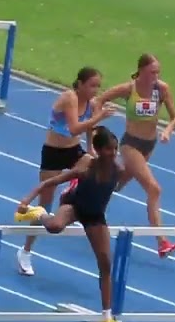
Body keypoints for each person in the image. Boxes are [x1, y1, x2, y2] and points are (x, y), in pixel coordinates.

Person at [15, 126, 128, 322]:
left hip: (95, 215)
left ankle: (107, 317)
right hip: (74, 206)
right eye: (109, 149)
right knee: (55, 227)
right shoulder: (87, 168)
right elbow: (51, 181)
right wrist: (26, 200)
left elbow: (110, 189)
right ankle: (40, 213)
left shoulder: (119, 170)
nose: (113, 153)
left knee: (105, 262)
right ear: (98, 150)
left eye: (115, 149)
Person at [16, 66, 112, 277]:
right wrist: (99, 117)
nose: (95, 90)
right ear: (80, 84)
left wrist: (90, 149)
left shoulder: (91, 104)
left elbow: (88, 129)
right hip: (53, 152)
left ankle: (73, 194)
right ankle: (25, 251)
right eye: (92, 86)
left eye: (98, 86)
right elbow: (74, 128)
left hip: (73, 150)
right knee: (44, 205)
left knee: (94, 168)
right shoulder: (70, 97)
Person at [94, 53, 175, 258]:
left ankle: (87, 194)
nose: (155, 76)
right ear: (141, 71)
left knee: (117, 183)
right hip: (130, 144)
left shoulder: (162, 89)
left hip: (149, 145)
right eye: (152, 72)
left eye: (158, 72)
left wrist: (168, 131)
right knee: (154, 189)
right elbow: (99, 100)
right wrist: (97, 123)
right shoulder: (129, 89)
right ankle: (162, 242)